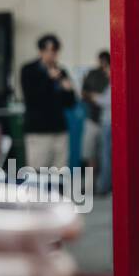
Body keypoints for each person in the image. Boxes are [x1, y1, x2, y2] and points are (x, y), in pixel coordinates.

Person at [19, 35, 76, 174]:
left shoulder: (61, 71)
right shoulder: (29, 70)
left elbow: (70, 103)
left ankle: (58, 195)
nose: (53, 54)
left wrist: (68, 90)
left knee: (60, 172)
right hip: (38, 132)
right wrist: (49, 79)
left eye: (55, 51)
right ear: (41, 51)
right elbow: (31, 98)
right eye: (49, 50)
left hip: (59, 130)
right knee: (37, 174)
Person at [81, 52, 112, 194]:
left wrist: (93, 97)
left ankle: (102, 185)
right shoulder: (93, 74)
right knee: (92, 155)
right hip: (94, 120)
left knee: (104, 155)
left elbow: (104, 100)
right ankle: (92, 185)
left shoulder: (112, 79)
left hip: (105, 121)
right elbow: (84, 92)